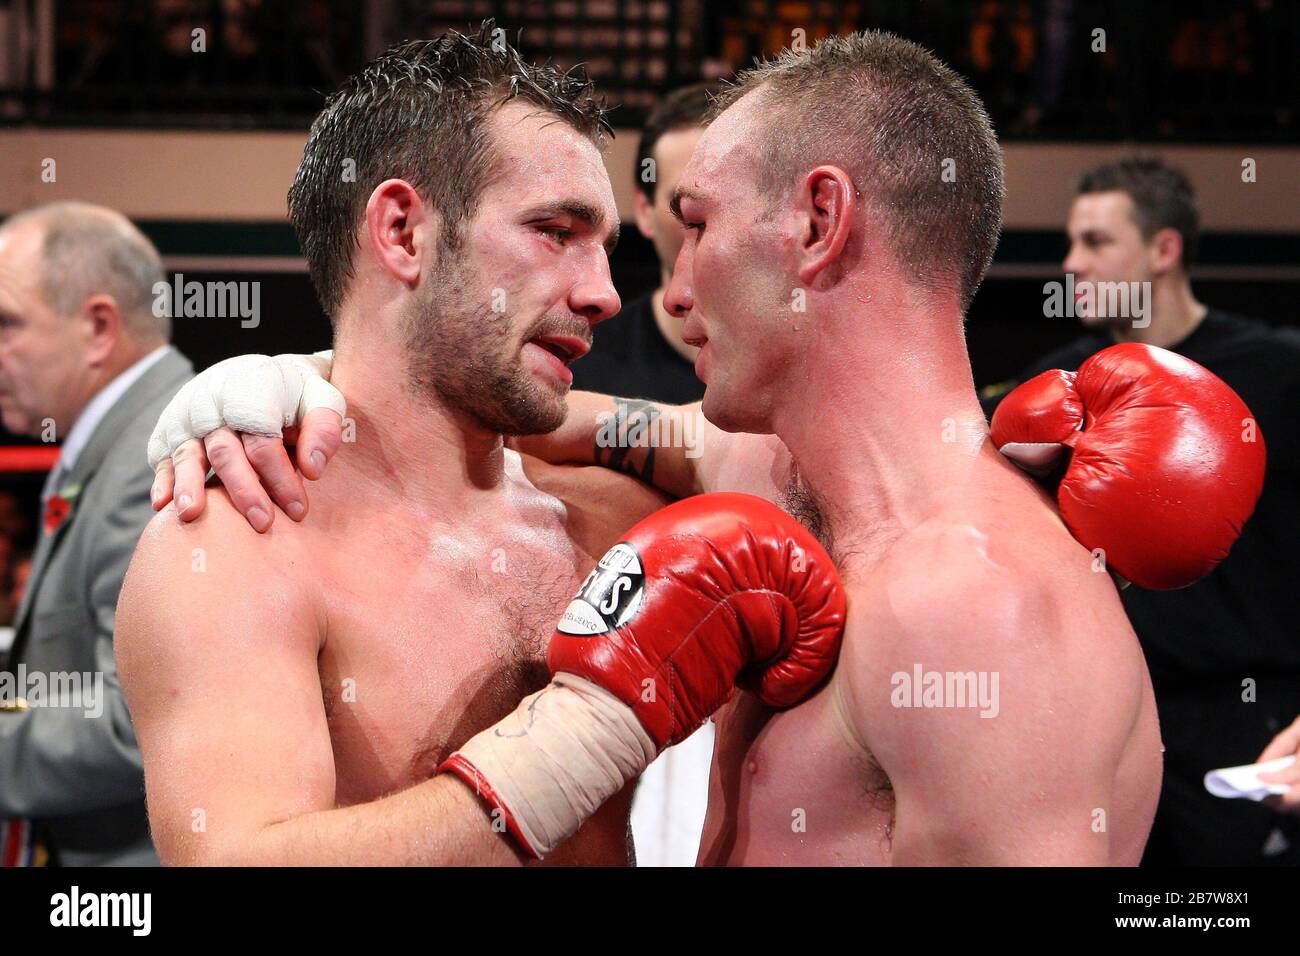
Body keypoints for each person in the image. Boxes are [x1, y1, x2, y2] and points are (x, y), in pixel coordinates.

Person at [149, 32, 1265, 865]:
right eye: (557, 232)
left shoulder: (971, 602)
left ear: (817, 224)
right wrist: (279, 385)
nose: (643, 293)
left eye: (693, 226)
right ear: (398, 231)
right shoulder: (753, 479)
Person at [116, 28, 841, 866]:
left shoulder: (611, 512)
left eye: (605, 246)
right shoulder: (239, 538)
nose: (605, 293)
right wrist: (579, 741)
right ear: (402, 232)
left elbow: (808, 469)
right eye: (555, 231)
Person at [981, 157, 1300, 865]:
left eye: (1096, 243)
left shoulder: (1278, 371)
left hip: (1248, 715)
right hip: (1106, 716)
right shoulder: (1060, 385)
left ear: (1163, 249)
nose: (1072, 265)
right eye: (1072, 244)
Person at [0, 201, 194, 866]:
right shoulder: (122, 443)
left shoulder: (155, 453)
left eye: (7, 324)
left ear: (98, 328)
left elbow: (139, 718)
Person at [574, 83, 711, 405]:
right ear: (643, 210)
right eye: (686, 207)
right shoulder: (582, 368)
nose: (711, 224)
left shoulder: (806, 361)